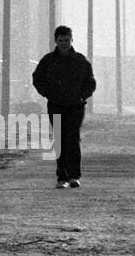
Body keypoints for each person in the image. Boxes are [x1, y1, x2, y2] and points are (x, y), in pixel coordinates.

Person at [32, 25, 96, 188]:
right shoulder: (48, 61)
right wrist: (48, 93)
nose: (64, 44)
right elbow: (37, 79)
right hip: (56, 105)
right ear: (56, 41)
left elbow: (90, 82)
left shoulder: (80, 61)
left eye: (66, 40)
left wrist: (82, 95)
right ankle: (62, 177)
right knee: (60, 139)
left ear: (71, 40)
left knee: (73, 138)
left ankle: (74, 175)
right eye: (61, 40)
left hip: (75, 106)